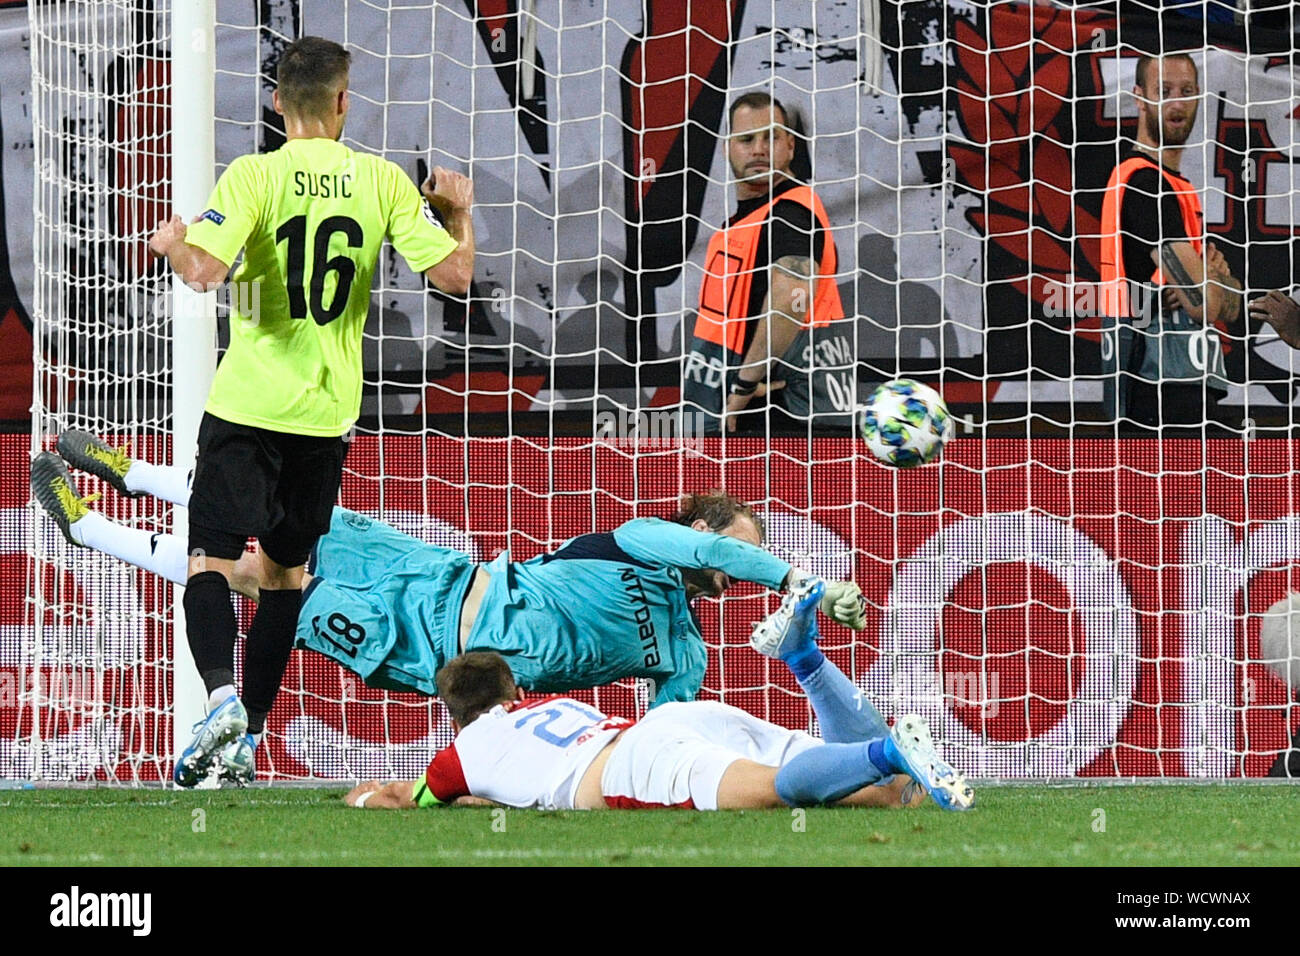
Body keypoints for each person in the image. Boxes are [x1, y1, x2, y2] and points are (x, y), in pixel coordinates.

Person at [32, 36, 476, 789]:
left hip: (246, 402)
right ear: (342, 102)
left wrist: (174, 244)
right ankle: (249, 738)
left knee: (209, 560)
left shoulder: (253, 176)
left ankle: (222, 696)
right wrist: (457, 212)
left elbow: (204, 276)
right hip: (325, 416)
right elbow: (458, 277)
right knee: (283, 577)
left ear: (276, 101)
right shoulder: (380, 182)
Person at [32, 438, 869, 783]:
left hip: (421, 644)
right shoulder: (650, 538)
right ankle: (128, 471)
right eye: (735, 545)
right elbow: (725, 557)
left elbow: (658, 736)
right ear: (702, 529)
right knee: (288, 516)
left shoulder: (685, 655)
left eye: (748, 557)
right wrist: (801, 578)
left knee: (256, 575)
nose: (732, 571)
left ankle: (92, 530)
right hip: (435, 571)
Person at [344, 581, 974, 813]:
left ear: (454, 715)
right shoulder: (547, 708)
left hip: (629, 766)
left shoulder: (458, 755)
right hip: (671, 720)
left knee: (776, 789)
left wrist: (361, 795)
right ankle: (806, 662)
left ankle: (891, 749)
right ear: (514, 688)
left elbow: (401, 798)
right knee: (893, 800)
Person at [681, 92, 855, 435]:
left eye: (770, 137)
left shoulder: (791, 212)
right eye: (746, 139)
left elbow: (792, 299)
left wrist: (743, 388)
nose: (758, 149)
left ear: (790, 146)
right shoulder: (746, 221)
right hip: (765, 413)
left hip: (783, 416)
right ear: (727, 148)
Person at [1098, 51, 1243, 433]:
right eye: (1163, 91)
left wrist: (1209, 284)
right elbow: (1208, 305)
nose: (1177, 102)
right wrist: (1211, 281)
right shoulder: (1145, 184)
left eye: (1186, 90)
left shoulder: (1176, 186)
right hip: (1155, 391)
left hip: (1186, 384)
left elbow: (1232, 306)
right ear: (1140, 98)